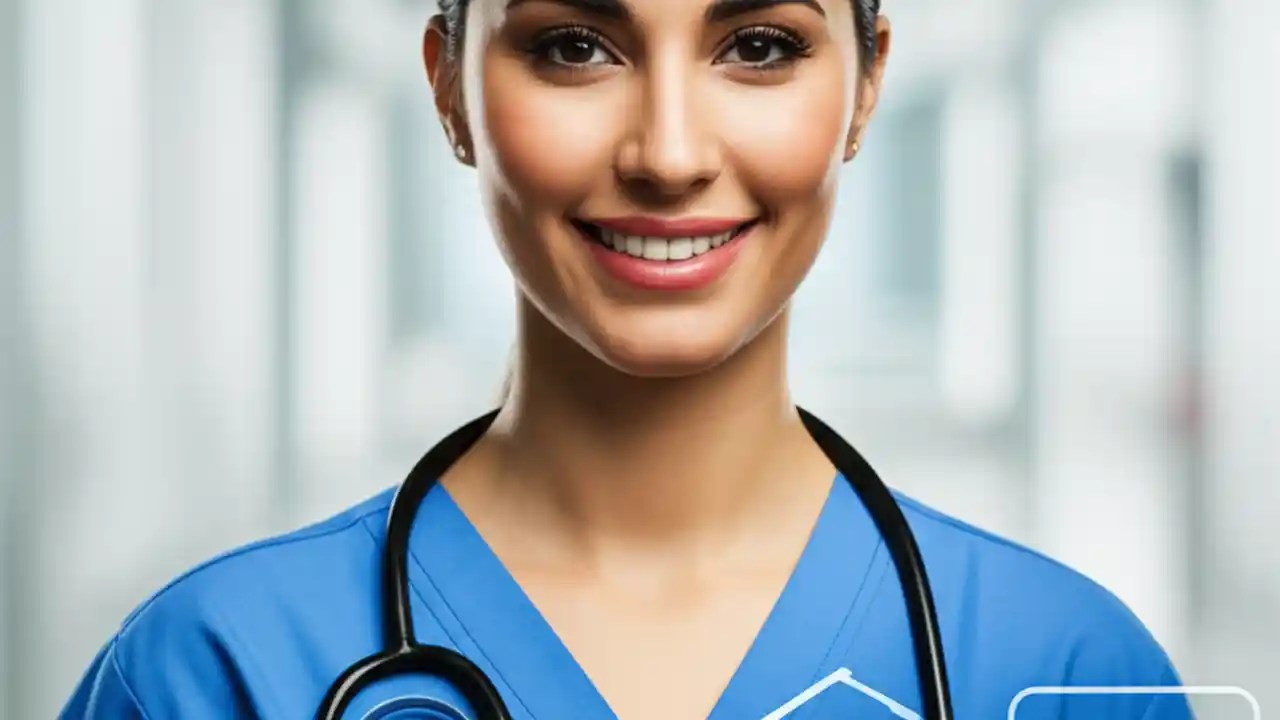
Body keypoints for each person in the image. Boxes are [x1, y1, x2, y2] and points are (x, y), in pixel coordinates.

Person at [63, 0, 1193, 718]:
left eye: (757, 48)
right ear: (450, 88)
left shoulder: (1067, 672)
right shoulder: (214, 675)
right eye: (573, 46)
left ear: (865, 89)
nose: (667, 153)